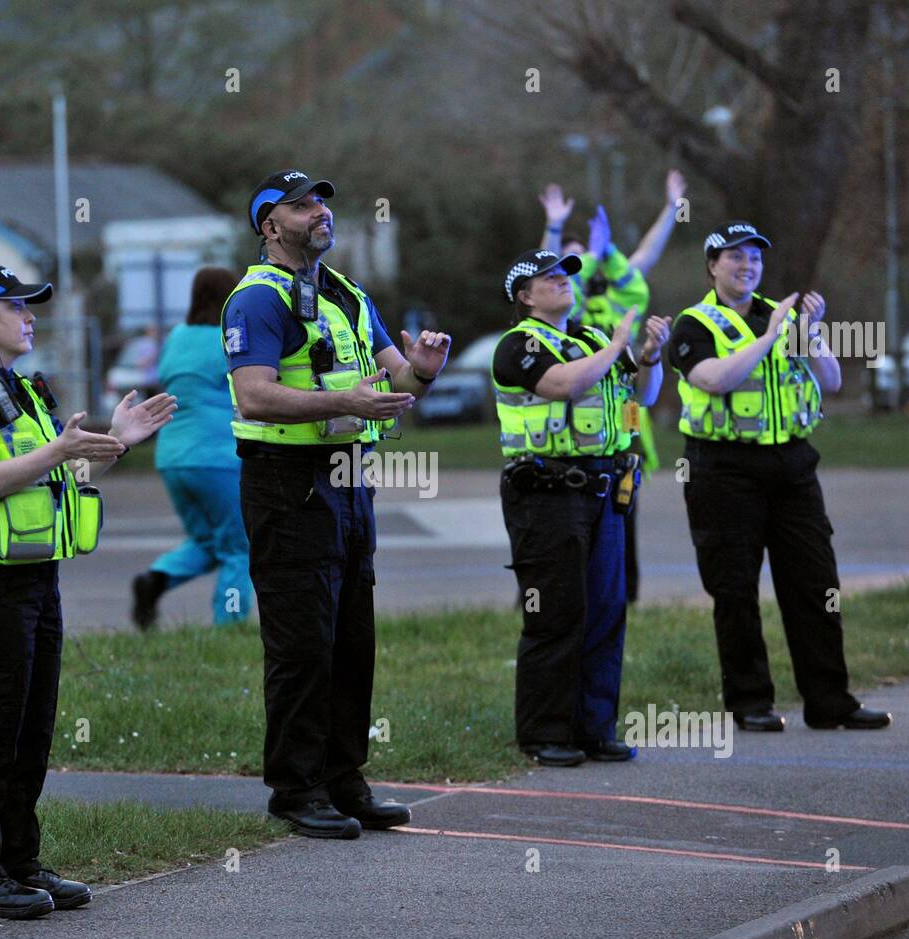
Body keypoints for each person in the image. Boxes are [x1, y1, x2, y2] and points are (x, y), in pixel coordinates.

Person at [0, 263, 175, 918]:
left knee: (30, 732)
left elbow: (56, 472)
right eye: (18, 307)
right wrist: (63, 451)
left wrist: (115, 440)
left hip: (37, 579)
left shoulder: (22, 388)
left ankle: (16, 860)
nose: (30, 316)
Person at [225, 169, 450, 839]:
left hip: (350, 480)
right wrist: (346, 401)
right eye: (301, 205)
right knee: (302, 643)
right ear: (270, 226)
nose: (320, 212)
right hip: (286, 481)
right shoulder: (256, 298)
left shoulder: (347, 293)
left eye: (322, 201)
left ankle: (345, 777)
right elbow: (254, 394)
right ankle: (296, 788)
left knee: (352, 639)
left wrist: (424, 368)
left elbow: (396, 376)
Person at [667, 222, 890, 732]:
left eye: (756, 259)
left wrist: (810, 334)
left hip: (791, 465)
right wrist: (770, 338)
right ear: (712, 266)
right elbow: (714, 379)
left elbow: (831, 380)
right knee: (736, 588)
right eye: (735, 258)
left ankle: (830, 700)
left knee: (815, 583)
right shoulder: (693, 325)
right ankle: (750, 702)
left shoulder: (782, 315)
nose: (748, 267)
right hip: (723, 469)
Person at [493, 248, 669, 765]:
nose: (563, 281)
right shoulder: (517, 345)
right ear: (524, 296)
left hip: (604, 489)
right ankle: (545, 732)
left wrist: (651, 357)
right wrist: (619, 344)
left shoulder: (592, 339)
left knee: (607, 610)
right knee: (556, 612)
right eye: (548, 278)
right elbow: (565, 384)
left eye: (567, 274)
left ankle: (595, 727)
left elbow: (641, 398)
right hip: (546, 492)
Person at [540, 170, 689, 602]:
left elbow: (647, 252)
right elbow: (544, 270)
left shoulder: (622, 290)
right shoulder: (569, 300)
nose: (576, 262)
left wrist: (671, 207)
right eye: (569, 258)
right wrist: (552, 225)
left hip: (622, 411)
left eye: (581, 254)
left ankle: (626, 591)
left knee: (625, 501)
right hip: (575, 409)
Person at [131, 266, 253, 628]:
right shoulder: (228, 336)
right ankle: (230, 626)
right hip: (217, 455)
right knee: (238, 547)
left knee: (208, 540)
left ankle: (156, 580)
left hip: (172, 456)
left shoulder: (177, 337)